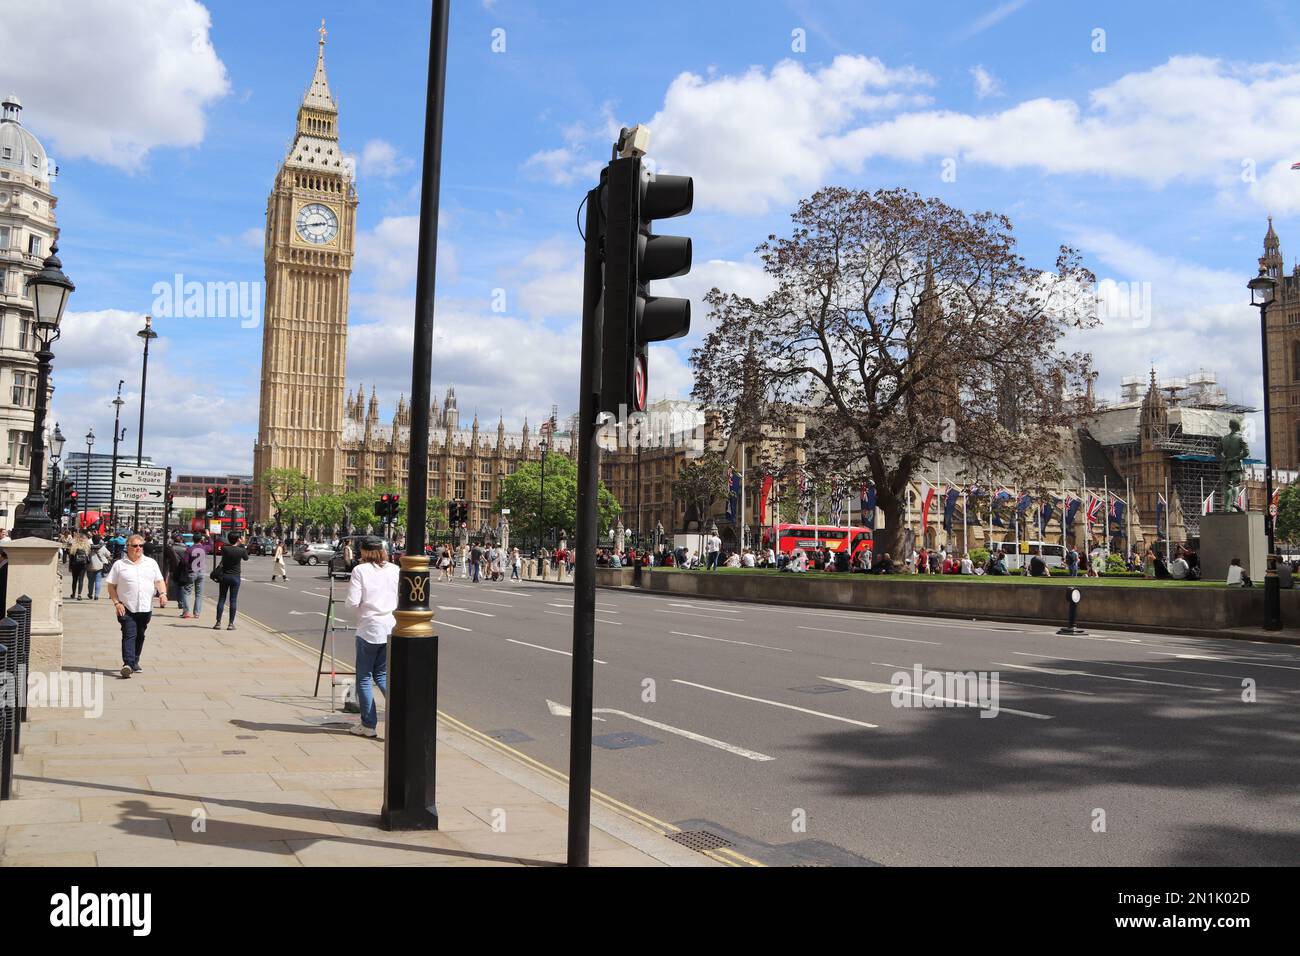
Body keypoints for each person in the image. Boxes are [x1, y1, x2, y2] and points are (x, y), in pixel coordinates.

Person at [346, 537, 399, 738]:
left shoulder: (360, 571)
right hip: (390, 627)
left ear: (365, 552)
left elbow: (352, 602)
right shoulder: (395, 569)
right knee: (383, 675)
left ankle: (368, 725)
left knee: (365, 677)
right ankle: (401, 714)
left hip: (369, 628)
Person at [105, 534, 166, 679]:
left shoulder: (151, 563)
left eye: (141, 546)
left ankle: (135, 661)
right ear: (128, 547)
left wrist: (163, 593)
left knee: (140, 635)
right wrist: (116, 603)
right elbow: (111, 586)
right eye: (135, 546)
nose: (138, 548)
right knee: (129, 633)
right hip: (126, 607)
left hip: (145, 607)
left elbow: (159, 580)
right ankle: (128, 664)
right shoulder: (119, 565)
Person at [213, 531, 249, 630]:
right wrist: (243, 545)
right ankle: (231, 624)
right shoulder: (241, 550)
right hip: (235, 577)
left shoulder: (225, 548)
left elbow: (227, 546)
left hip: (225, 576)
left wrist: (237, 542)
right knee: (233, 600)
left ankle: (218, 623)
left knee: (221, 599)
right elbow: (246, 558)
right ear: (238, 539)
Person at [67, 532, 91, 599]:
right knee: (81, 580)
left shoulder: (74, 546)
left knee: (74, 580)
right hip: (83, 565)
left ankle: (73, 594)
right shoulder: (86, 547)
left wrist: (70, 566)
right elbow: (89, 558)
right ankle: (79, 595)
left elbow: (71, 557)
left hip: (75, 565)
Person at [88, 535, 111, 600]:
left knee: (91, 581)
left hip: (90, 566)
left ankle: (90, 594)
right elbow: (108, 554)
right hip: (99, 566)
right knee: (98, 581)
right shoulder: (102, 547)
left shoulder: (89, 547)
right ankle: (96, 595)